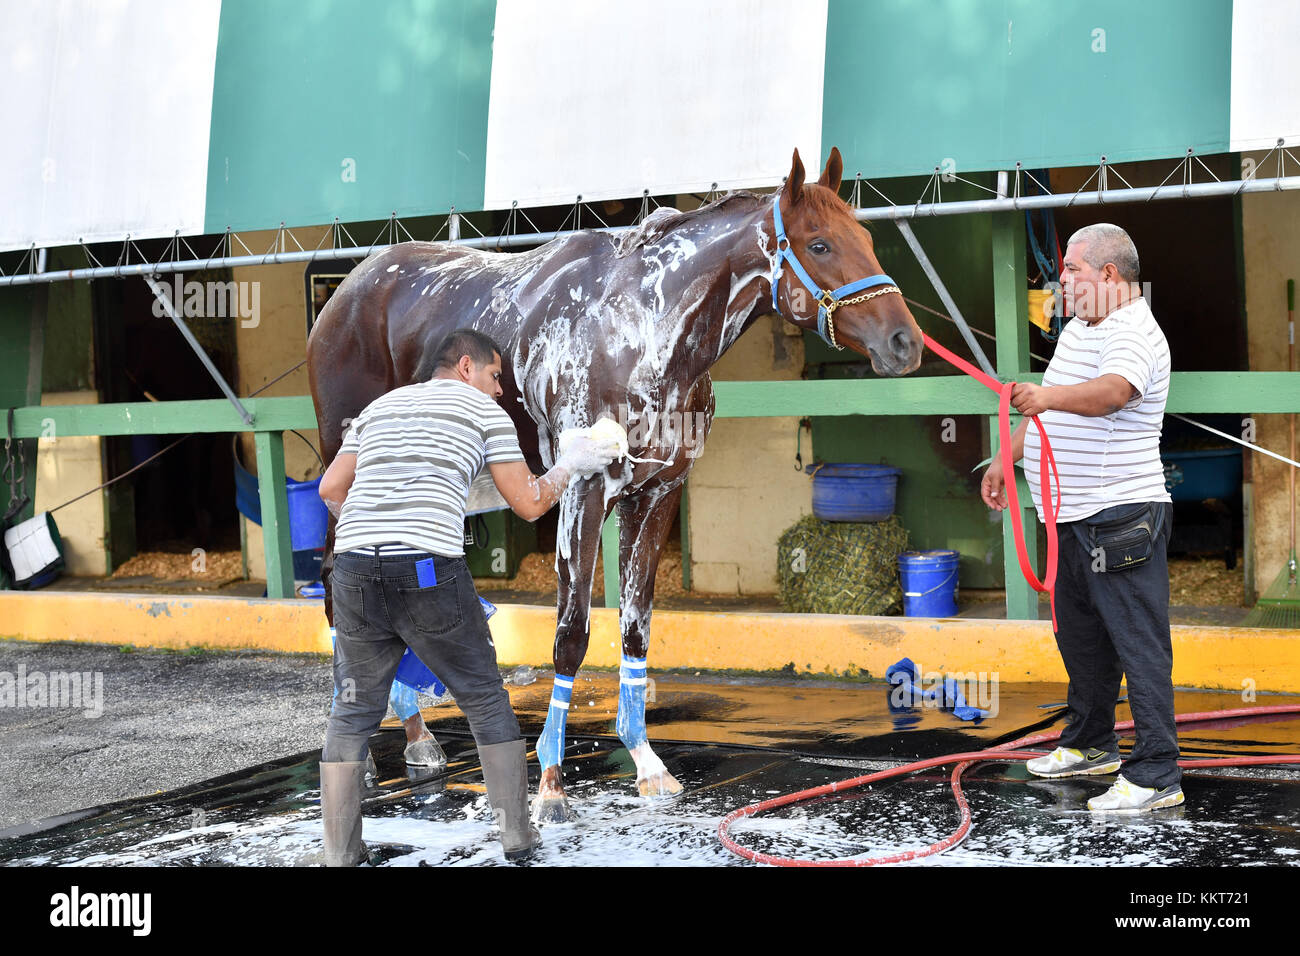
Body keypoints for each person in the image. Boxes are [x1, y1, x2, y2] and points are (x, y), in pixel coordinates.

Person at [316, 327, 622, 864]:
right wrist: (572, 463)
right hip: (429, 573)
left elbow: (330, 490)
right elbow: (529, 502)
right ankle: (517, 840)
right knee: (483, 699)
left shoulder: (379, 407)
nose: (501, 389)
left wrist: (376, 549)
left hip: (353, 569)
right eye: (494, 375)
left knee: (352, 712)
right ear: (464, 367)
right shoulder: (485, 414)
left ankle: (339, 855)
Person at [981, 223, 1183, 813]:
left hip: (1121, 515)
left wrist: (1045, 400)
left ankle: (1156, 775)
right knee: (1083, 641)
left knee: (1138, 643)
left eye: (1071, 269)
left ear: (1109, 276)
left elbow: (1113, 393)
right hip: (1070, 517)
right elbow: (1049, 407)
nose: (1060, 280)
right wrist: (1003, 458)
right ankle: (1091, 743)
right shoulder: (1078, 330)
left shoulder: (1135, 331)